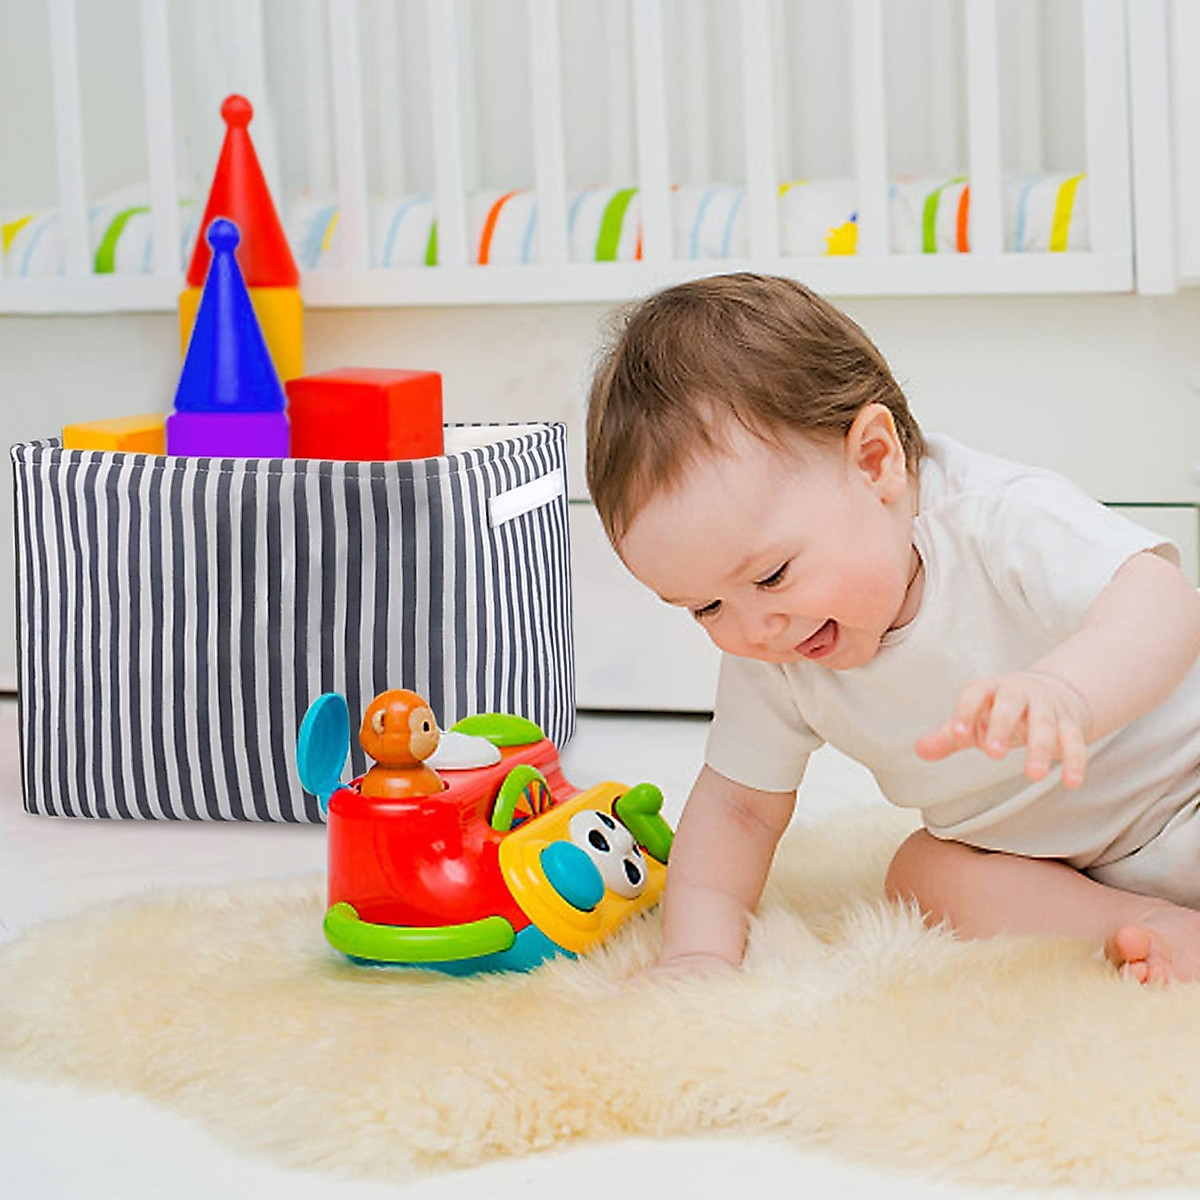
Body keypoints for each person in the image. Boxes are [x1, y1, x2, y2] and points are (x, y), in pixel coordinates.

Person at [585, 273, 1200, 985]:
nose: (754, 629)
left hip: (1183, 787)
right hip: (1057, 857)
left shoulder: (995, 523)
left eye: (772, 575)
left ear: (875, 461)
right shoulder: (774, 648)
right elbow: (739, 809)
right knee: (922, 874)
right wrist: (698, 952)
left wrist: (1067, 690)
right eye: (705, 608)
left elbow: (1162, 599)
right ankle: (1146, 926)